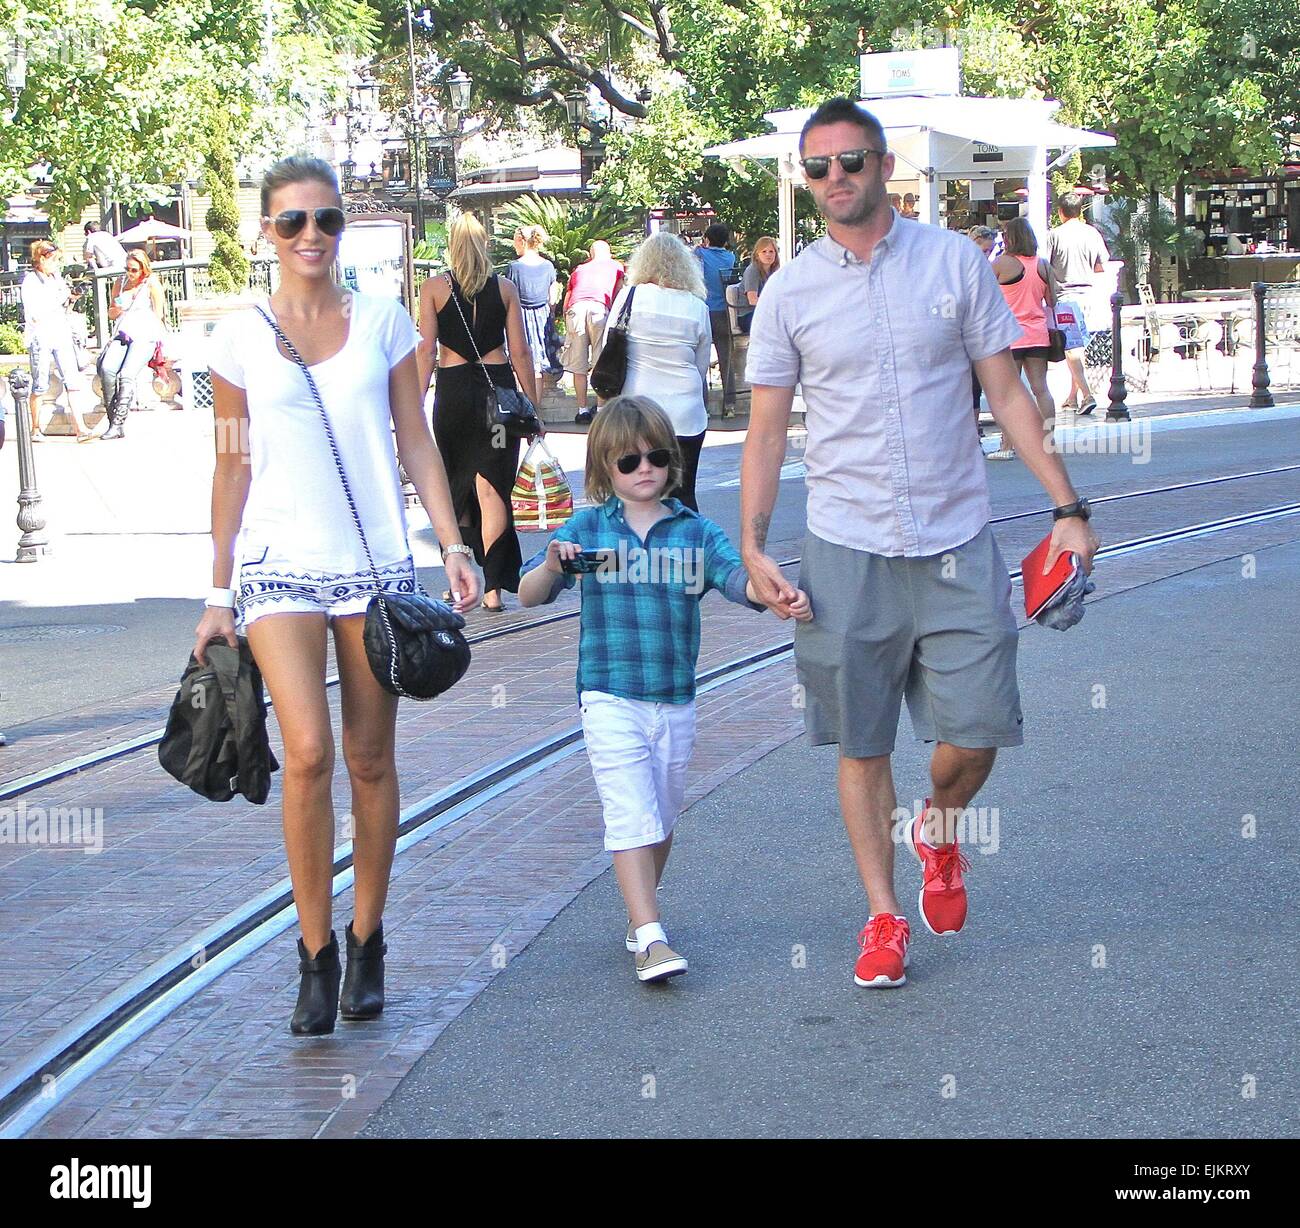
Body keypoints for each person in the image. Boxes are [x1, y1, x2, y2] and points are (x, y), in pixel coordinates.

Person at [742, 97, 1099, 991]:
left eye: (850, 162)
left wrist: (1068, 504)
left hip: (953, 537)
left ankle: (940, 828)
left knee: (975, 735)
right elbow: (766, 432)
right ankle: (882, 915)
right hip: (845, 546)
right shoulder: (789, 291)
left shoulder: (953, 263)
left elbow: (1010, 395)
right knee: (861, 743)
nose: (834, 180)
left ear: (883, 164)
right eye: (817, 168)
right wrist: (751, 546)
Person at [196, 156, 481, 1035]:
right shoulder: (238, 339)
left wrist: (455, 541)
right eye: (293, 222)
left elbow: (414, 440)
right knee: (308, 753)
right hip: (279, 564)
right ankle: (313, 955)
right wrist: (216, 590)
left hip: (375, 568)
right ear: (268, 234)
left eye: (325, 219)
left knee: (368, 758)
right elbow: (233, 461)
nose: (311, 235)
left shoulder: (387, 322)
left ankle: (368, 940)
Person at [518, 395, 810, 981]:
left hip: (674, 694)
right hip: (607, 691)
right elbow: (531, 594)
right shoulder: (588, 528)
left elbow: (734, 578)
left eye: (655, 456)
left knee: (662, 812)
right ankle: (650, 936)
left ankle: (638, 911)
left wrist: (772, 593)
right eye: (628, 462)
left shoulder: (694, 531)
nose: (644, 468)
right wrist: (553, 563)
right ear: (605, 469)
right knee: (630, 809)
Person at [416, 214, 538, 613]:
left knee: (456, 485)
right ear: (485, 244)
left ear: (451, 245)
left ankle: (460, 578)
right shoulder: (504, 289)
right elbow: (520, 351)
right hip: (496, 395)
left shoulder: (432, 289)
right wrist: (531, 407)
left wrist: (414, 404)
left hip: (452, 397)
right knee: (493, 488)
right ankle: (493, 588)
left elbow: (426, 351)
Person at [603, 231, 712, 511]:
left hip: (637, 409)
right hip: (687, 414)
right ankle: (689, 550)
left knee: (637, 492)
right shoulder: (697, 306)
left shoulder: (630, 296)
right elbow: (701, 365)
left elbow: (608, 345)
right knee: (684, 493)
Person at [989, 217, 1058, 460]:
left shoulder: (1001, 264)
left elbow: (984, 295)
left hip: (1010, 335)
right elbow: (1052, 302)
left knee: (1009, 392)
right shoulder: (1043, 265)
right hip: (1038, 334)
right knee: (1041, 389)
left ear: (1010, 238)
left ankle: (1008, 445)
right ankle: (1048, 441)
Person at [20, 241, 97, 442]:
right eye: (54, 260)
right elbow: (34, 312)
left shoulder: (56, 279)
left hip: (60, 332)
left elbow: (64, 304)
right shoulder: (31, 281)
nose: (56, 264)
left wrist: (73, 296)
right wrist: (59, 300)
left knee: (72, 381)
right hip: (41, 335)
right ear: (42, 259)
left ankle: (80, 428)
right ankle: (35, 428)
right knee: (40, 383)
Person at [1047, 191, 1111, 414]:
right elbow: (1102, 265)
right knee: (1078, 346)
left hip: (1065, 298)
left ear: (1060, 212)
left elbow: (1045, 267)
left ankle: (1087, 394)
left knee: (1072, 348)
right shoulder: (1092, 234)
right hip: (1089, 296)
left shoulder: (1054, 235)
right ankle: (1072, 397)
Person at [96, 248, 166, 440]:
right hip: (123, 332)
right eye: (127, 268)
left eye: (134, 270)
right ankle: (113, 423)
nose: (130, 273)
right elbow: (111, 313)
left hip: (144, 334)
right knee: (108, 369)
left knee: (127, 374)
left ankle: (118, 423)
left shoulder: (151, 284)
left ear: (143, 269)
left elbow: (158, 315)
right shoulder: (120, 282)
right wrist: (117, 309)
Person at [563, 240, 624, 424]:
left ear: (591, 255)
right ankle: (601, 409)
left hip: (576, 308)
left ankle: (582, 411)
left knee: (578, 363)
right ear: (610, 253)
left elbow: (567, 301)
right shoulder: (616, 266)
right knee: (600, 359)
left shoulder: (579, 269)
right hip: (599, 309)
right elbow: (619, 294)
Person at [505, 225, 563, 381]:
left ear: (521, 241)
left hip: (520, 319)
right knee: (541, 364)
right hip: (543, 317)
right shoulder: (548, 265)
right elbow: (552, 298)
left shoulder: (514, 267)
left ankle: (531, 403)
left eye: (514, 241)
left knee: (527, 365)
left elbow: (508, 295)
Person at [694, 222, 738, 417]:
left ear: (707, 239)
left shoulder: (701, 254)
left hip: (705, 310)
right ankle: (730, 405)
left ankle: (703, 406)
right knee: (726, 359)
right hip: (725, 313)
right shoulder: (731, 257)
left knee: (700, 360)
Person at [966, 226, 1001, 435]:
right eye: (984, 250)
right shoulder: (963, 267)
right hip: (967, 333)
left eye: (989, 252)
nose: (987, 255)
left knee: (975, 388)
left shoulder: (987, 269)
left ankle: (974, 432)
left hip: (981, 333)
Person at [738, 235, 780, 333]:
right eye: (764, 251)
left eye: (771, 251)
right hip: (749, 314)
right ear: (757, 254)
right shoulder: (752, 270)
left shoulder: (775, 271)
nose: (768, 255)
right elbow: (752, 300)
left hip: (764, 312)